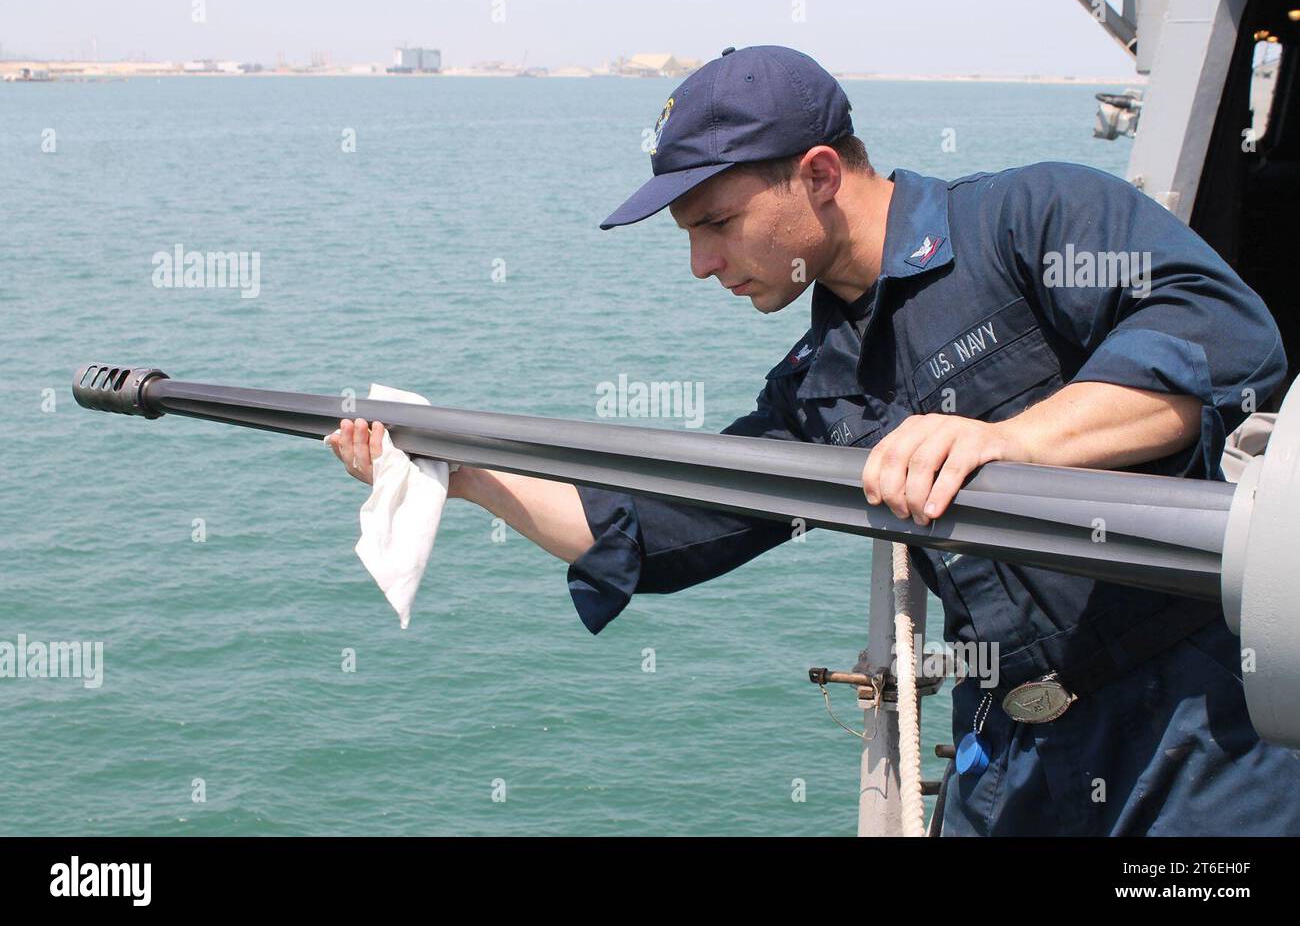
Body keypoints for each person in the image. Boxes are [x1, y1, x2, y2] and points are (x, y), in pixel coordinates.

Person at [328, 45, 1300, 835]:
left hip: (1194, 733)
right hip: (1013, 750)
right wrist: (455, 472)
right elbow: (646, 529)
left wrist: (1007, 440)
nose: (703, 263)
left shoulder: (1033, 216)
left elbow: (1222, 338)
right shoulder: (818, 386)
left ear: (820, 174)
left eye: (716, 222)